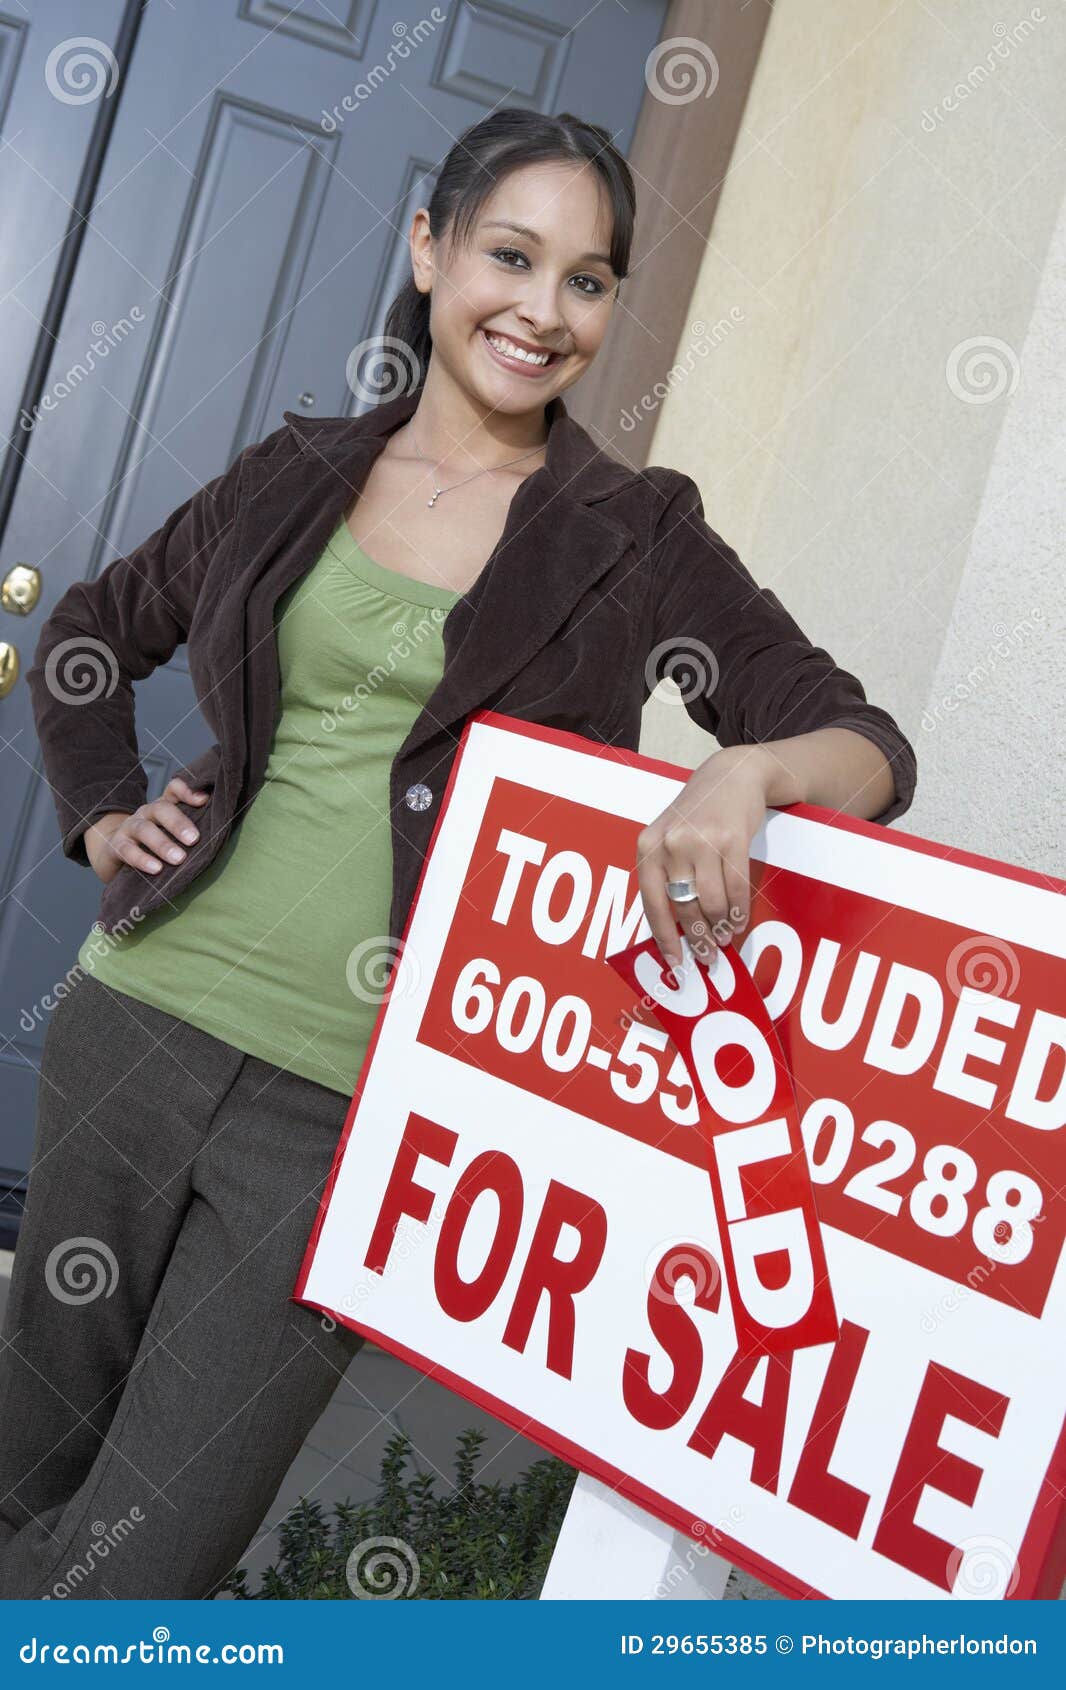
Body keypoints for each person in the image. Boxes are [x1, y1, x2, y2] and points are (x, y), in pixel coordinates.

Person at [0, 107, 916, 1599]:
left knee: (143, 1554)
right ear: (429, 251)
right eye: (510, 254)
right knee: (24, 1472)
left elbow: (862, 741)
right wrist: (106, 809)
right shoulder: (296, 469)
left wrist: (746, 770)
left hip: (358, 1116)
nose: (542, 310)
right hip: (137, 1021)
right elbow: (92, 630)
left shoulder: (630, 535)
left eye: (588, 279)